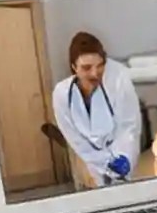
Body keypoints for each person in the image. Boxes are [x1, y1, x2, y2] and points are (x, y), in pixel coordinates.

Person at [52, 32, 143, 187]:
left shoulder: (118, 79)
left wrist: (124, 157)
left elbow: (128, 126)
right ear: (74, 67)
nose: (95, 73)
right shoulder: (62, 94)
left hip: (120, 153)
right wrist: (103, 162)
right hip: (93, 161)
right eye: (86, 68)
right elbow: (75, 139)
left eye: (100, 66)